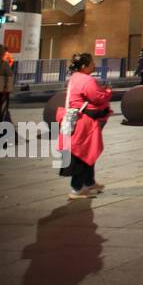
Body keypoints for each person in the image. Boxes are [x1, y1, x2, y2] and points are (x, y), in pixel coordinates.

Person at [57, 53, 112, 199]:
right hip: (83, 121)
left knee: (85, 152)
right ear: (84, 66)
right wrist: (107, 92)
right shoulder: (87, 80)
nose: (94, 65)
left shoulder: (74, 78)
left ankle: (89, 182)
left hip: (73, 118)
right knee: (82, 153)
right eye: (92, 63)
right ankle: (77, 188)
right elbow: (97, 97)